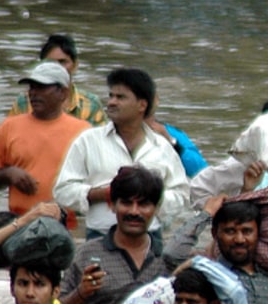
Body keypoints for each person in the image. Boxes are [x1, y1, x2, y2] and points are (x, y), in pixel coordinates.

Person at [59, 166, 182, 304]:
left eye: (143, 204)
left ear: (155, 209)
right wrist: (82, 293)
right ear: (112, 204)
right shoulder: (86, 254)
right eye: (126, 202)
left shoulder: (168, 259)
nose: (134, 211)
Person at [53, 68, 188, 239]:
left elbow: (182, 195)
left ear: (142, 105)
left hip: (150, 237)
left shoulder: (161, 147)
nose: (111, 102)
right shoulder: (88, 141)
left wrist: (148, 199)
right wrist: (102, 194)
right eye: (111, 96)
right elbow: (63, 191)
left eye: (120, 97)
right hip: (100, 236)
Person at [0, 62, 91, 223]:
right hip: (18, 223)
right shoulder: (10, 126)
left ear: (63, 93)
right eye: (31, 87)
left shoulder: (83, 133)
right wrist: (9, 173)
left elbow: (95, 183)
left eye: (42, 87)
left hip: (66, 225)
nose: (34, 93)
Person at [7, 34, 105, 126]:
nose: (57, 67)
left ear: (75, 65)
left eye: (63, 62)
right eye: (51, 62)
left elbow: (102, 142)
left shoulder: (90, 105)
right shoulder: (23, 103)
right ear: (41, 65)